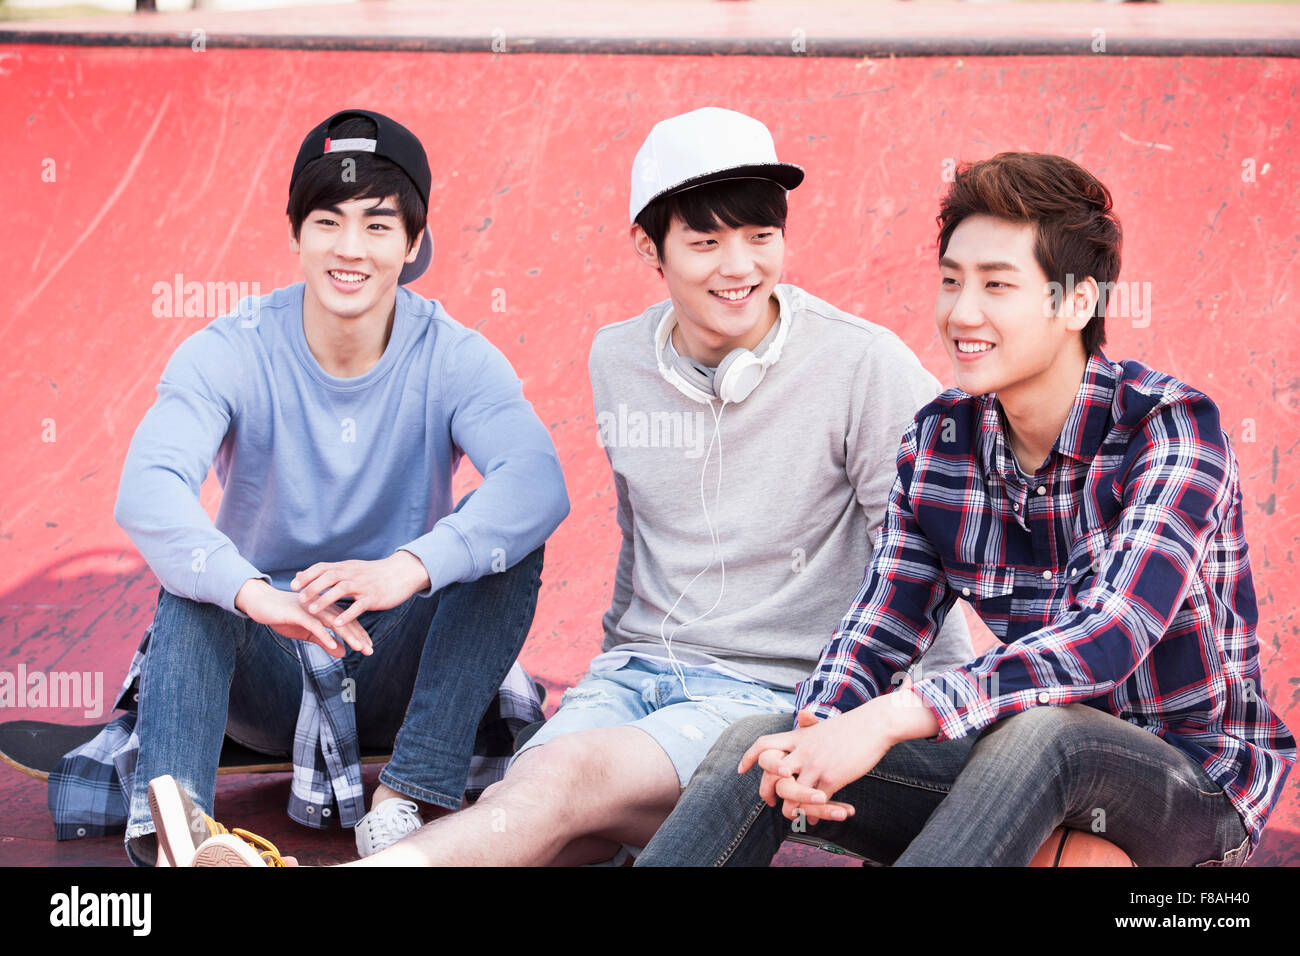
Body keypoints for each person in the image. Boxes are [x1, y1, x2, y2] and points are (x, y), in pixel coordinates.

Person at [309, 106, 972, 868]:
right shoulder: (618, 359)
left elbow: (926, 563)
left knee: (557, 783)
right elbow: (642, 536)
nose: (740, 267)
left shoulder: (864, 366)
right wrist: (609, 675)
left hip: (767, 700)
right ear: (647, 246)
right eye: (706, 241)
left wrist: (937, 738)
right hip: (634, 678)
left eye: (761, 237)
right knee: (531, 818)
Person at [635, 151, 1296, 867]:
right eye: (951, 282)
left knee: (1047, 733)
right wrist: (820, 728)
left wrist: (890, 717)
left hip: (1187, 788)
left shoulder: (1169, 429)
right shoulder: (942, 438)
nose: (962, 312)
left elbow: (1109, 636)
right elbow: (881, 624)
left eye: (997, 286)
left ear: (1077, 303)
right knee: (756, 749)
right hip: (1011, 770)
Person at [47, 109, 569, 866]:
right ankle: (184, 835)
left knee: (506, 547)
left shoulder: (455, 356)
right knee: (196, 583)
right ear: (296, 233)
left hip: (395, 660)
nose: (350, 248)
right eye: (328, 221)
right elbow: (148, 491)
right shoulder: (229, 349)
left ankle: (408, 797)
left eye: (379, 225)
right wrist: (254, 593)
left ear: (414, 244)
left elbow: (537, 482)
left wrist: (408, 568)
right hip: (265, 662)